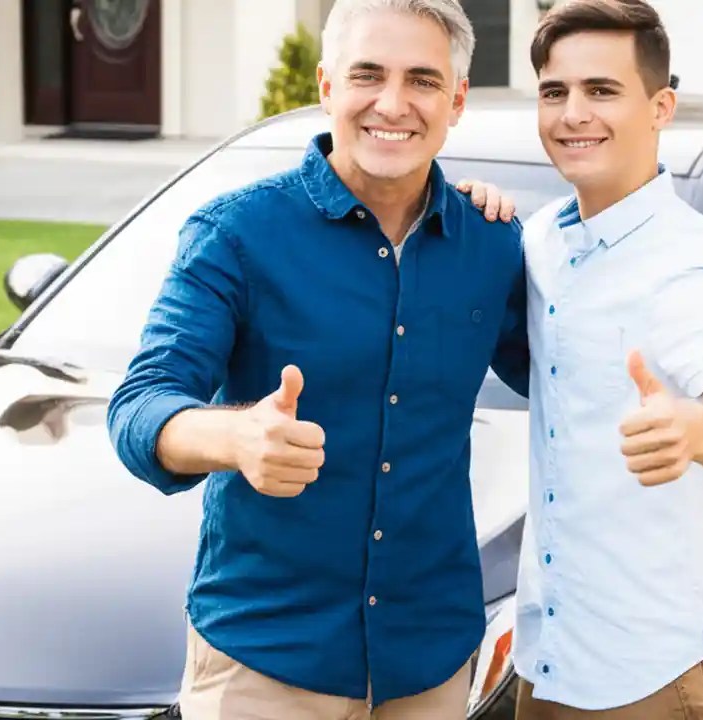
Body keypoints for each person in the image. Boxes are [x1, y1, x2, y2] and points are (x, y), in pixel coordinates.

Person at [104, 1, 525, 717]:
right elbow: (141, 405)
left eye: (422, 80)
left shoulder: (491, 245)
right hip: (266, 666)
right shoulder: (236, 233)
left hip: (428, 664)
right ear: (328, 86)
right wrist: (234, 437)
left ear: (456, 101)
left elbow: (571, 381)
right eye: (368, 74)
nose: (392, 103)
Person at [508, 1, 703, 718]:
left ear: (659, 106)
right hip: (549, 665)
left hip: (664, 677)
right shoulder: (544, 239)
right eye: (556, 92)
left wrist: (696, 430)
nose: (574, 113)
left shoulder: (688, 271)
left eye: (602, 91)